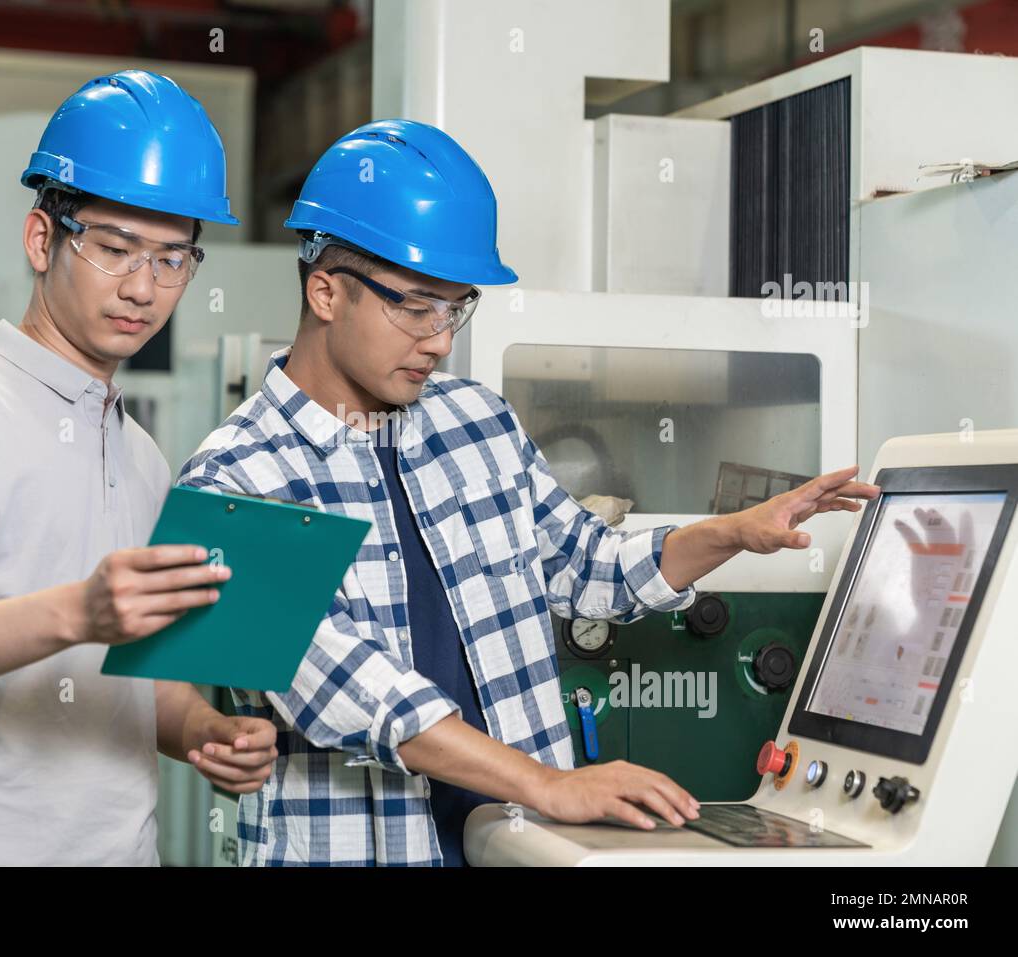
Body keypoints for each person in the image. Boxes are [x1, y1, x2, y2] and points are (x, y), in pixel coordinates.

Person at [178, 118, 879, 865]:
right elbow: (351, 691)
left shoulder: (476, 421)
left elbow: (590, 567)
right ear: (325, 291)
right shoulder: (228, 483)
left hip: (515, 849)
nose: (441, 339)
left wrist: (734, 531)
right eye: (416, 305)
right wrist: (549, 784)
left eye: (456, 308)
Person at [0, 71, 277, 866]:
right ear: (42, 239)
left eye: (173, 260)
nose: (143, 288)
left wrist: (205, 733)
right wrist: (79, 611)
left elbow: (145, 689)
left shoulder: (144, 455)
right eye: (115, 248)